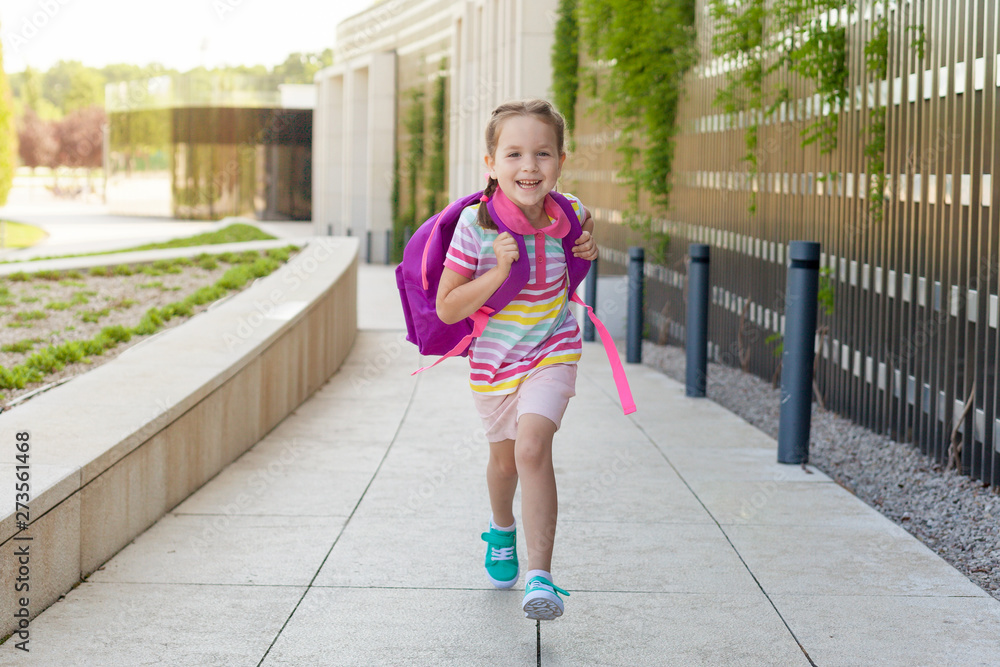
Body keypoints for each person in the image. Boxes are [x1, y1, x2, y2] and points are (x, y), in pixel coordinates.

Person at [436, 99, 597, 621]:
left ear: (560, 160)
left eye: (542, 153)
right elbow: (448, 305)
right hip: (494, 365)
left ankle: (541, 577)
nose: (529, 166)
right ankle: (501, 527)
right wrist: (496, 271)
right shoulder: (474, 226)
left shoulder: (569, 213)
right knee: (504, 463)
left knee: (531, 450)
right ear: (491, 163)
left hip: (553, 349)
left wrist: (591, 249)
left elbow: (572, 265)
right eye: (514, 154)